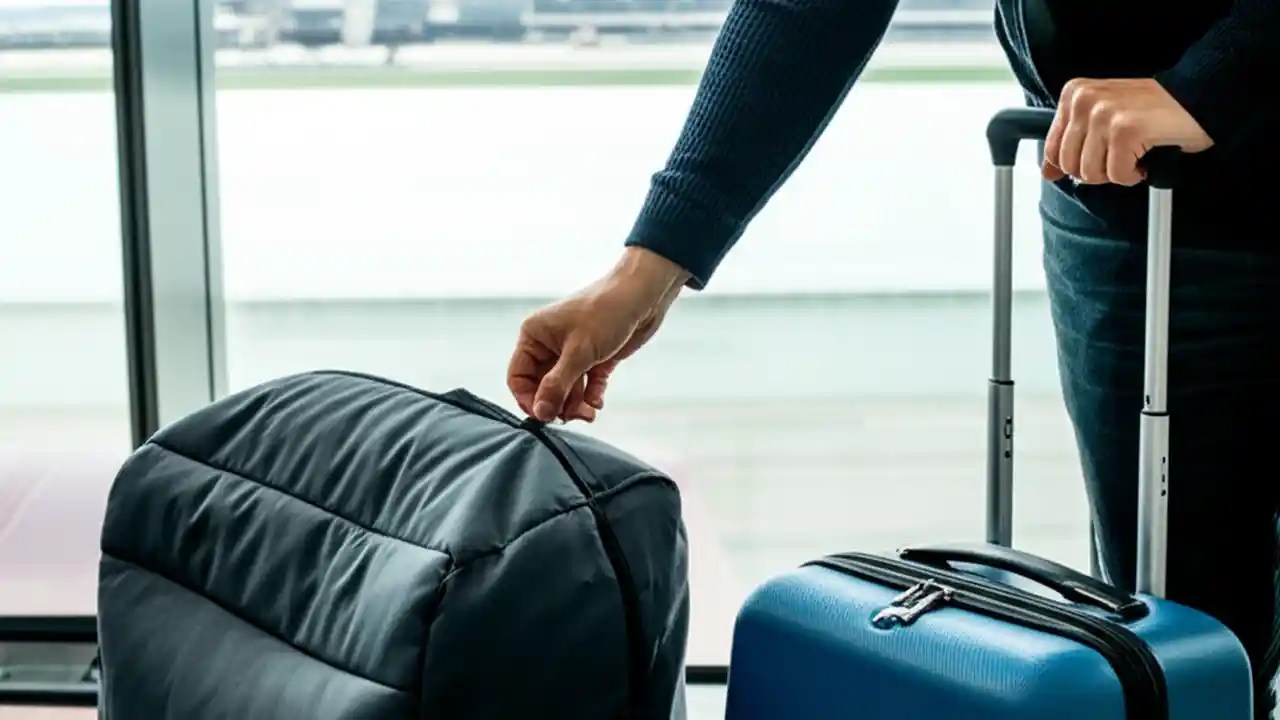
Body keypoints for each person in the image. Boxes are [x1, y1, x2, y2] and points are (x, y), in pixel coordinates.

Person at [506, 1, 1280, 716]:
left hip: (1222, 147)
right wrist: (651, 267)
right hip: (1130, 201)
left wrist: (1210, 85)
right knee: (1191, 643)